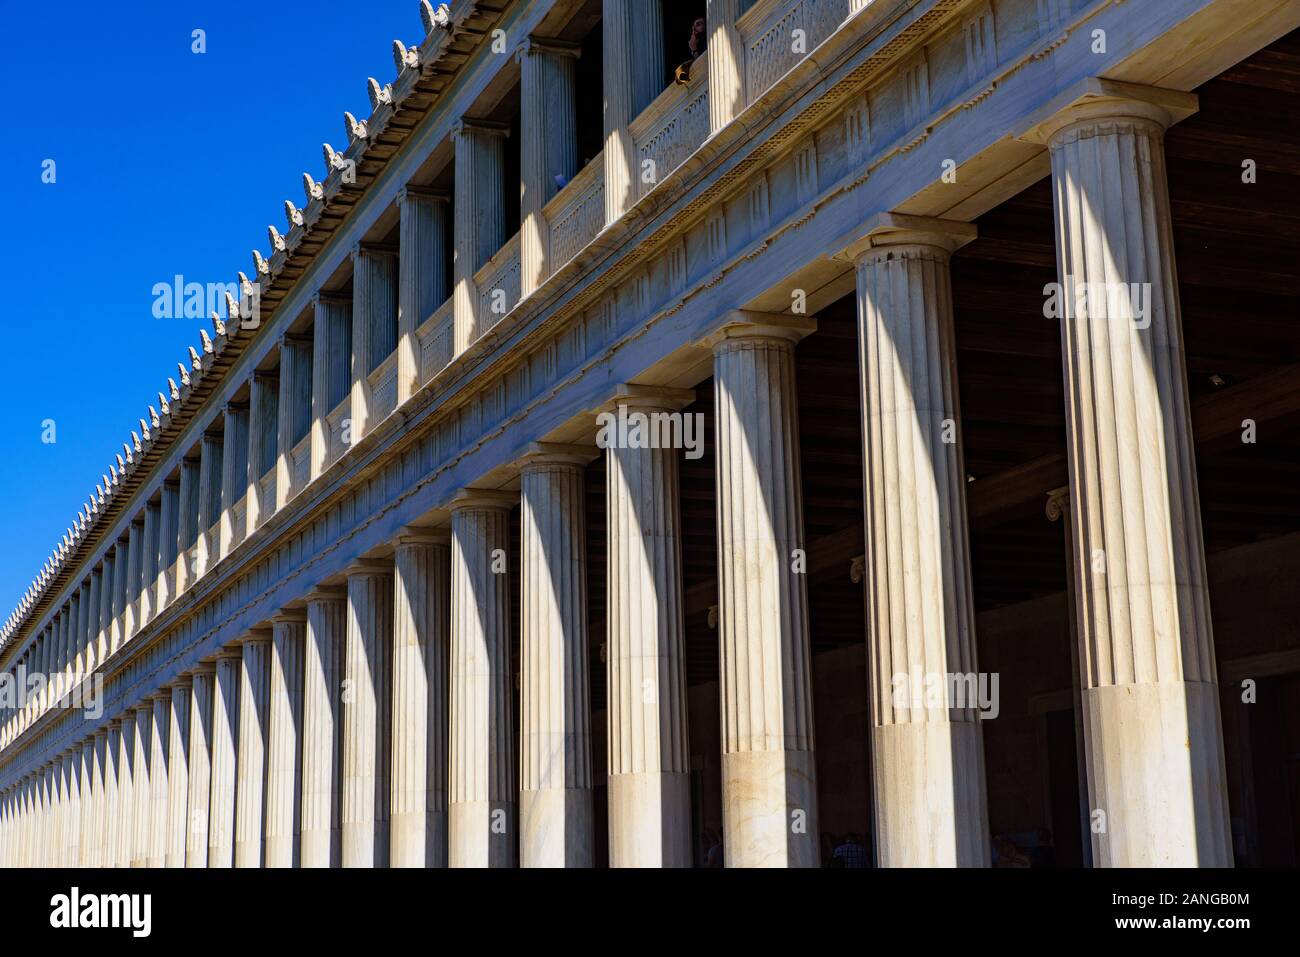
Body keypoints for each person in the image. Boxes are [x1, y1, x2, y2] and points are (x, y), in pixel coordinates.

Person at [674, 18, 708, 85]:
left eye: (698, 24)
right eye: (693, 26)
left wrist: (694, 49)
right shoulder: (697, 45)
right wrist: (694, 49)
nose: (694, 29)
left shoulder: (708, 40)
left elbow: (704, 64)